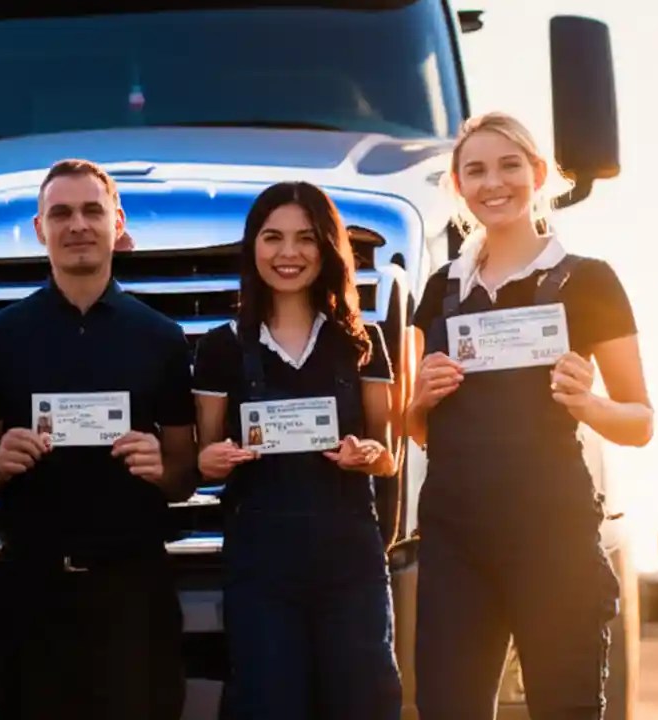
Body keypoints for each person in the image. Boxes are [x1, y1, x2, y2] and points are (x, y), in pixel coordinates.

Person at [407, 111, 653, 720]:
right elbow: (416, 430)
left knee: (565, 708)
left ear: (539, 173)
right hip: (455, 537)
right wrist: (423, 400)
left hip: (555, 537)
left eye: (510, 166)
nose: (495, 183)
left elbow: (640, 420)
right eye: (476, 170)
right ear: (458, 187)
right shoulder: (440, 291)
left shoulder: (589, 281)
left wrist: (588, 403)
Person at [0, 158, 197, 720]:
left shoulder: (161, 338)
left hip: (133, 594)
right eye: (61, 213)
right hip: (30, 593)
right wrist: (0, 465)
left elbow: (186, 476)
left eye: (93, 211)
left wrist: (159, 466)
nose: (78, 225)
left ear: (117, 223)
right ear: (40, 229)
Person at [192, 181, 403, 720]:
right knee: (269, 702)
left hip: (350, 559)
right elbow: (204, 455)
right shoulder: (221, 348)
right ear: (252, 246)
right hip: (261, 562)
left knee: (363, 701)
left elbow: (390, 453)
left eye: (306, 239)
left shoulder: (361, 342)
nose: (289, 253)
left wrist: (367, 453)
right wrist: (215, 461)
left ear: (328, 248)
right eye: (273, 238)